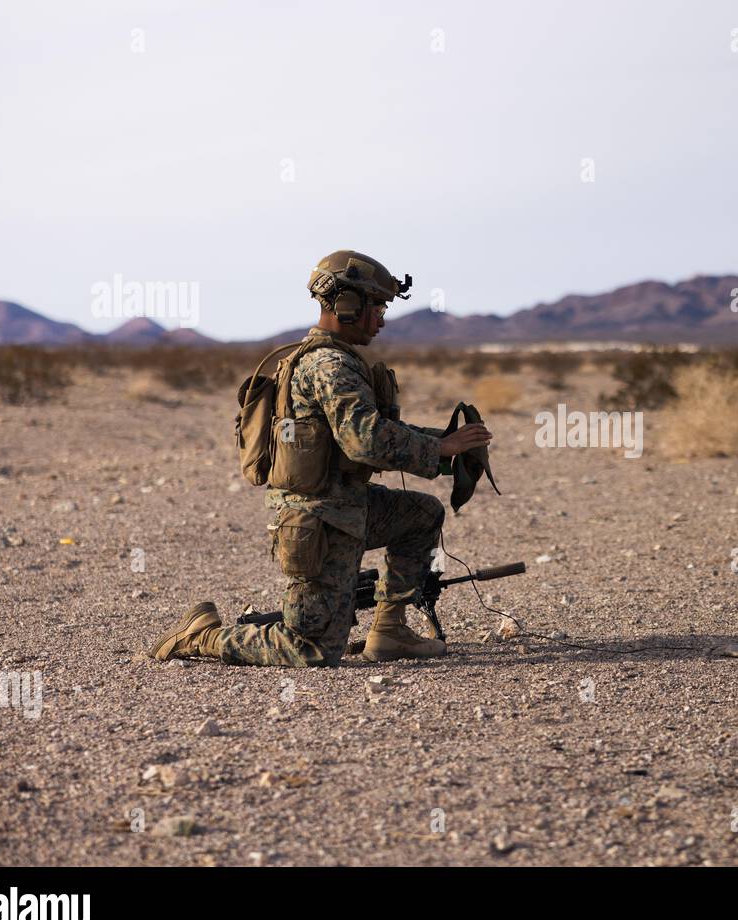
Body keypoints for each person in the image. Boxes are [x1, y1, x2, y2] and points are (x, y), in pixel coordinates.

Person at [151, 250, 492, 666]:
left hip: (344, 506)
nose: (382, 318)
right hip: (318, 522)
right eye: (377, 306)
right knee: (310, 649)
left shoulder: (335, 358)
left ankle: (389, 632)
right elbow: (364, 442)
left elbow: (368, 431)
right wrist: (440, 448)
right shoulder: (330, 364)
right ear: (347, 305)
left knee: (421, 514)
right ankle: (202, 637)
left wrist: (445, 443)